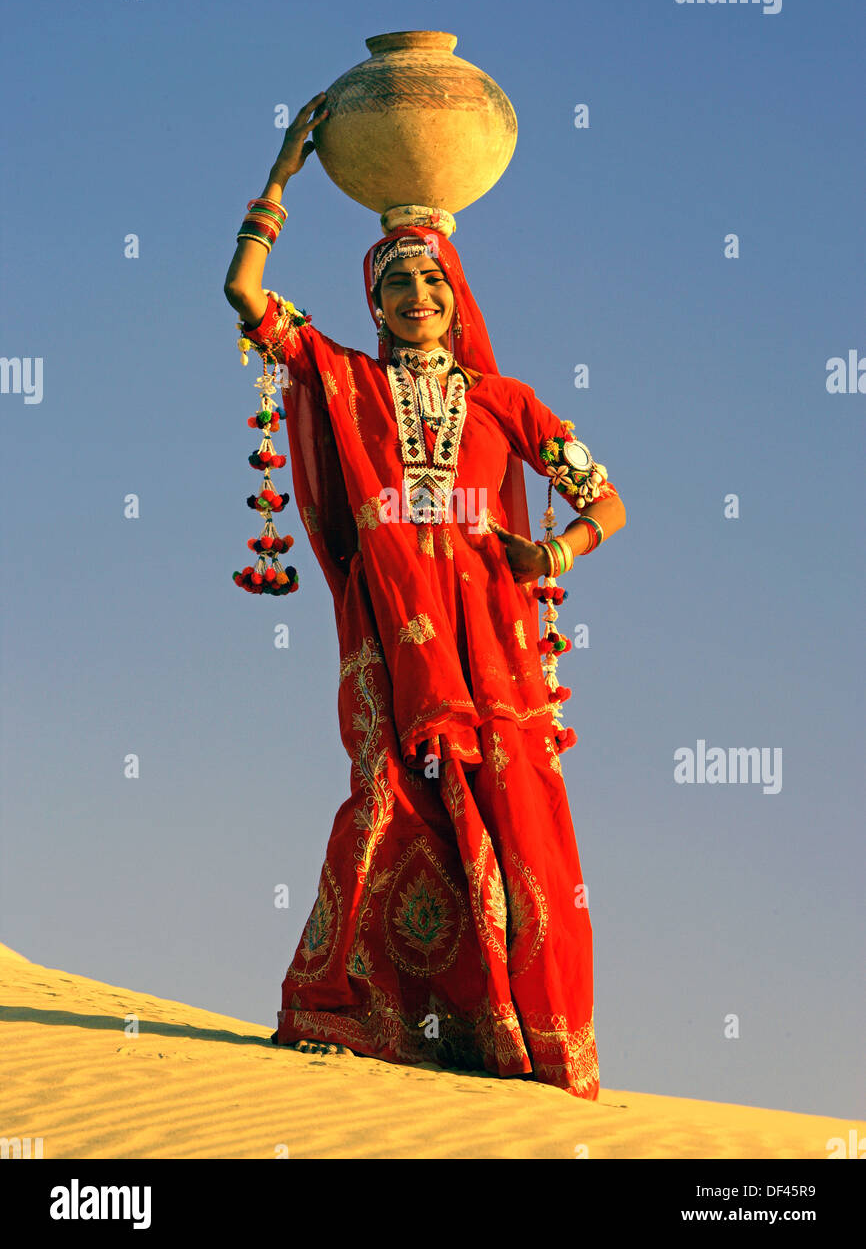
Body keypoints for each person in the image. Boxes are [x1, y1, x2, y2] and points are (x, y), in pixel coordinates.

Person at [224, 94, 626, 1100]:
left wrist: (555, 553)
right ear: (374, 302)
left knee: (511, 827)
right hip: (395, 638)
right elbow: (245, 296)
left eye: (429, 282)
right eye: (396, 283)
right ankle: (355, 1011)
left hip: (489, 635)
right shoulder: (347, 381)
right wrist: (280, 179)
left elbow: (604, 497)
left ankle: (508, 1039)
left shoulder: (505, 401)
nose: (415, 296)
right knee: (387, 802)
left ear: (455, 297)